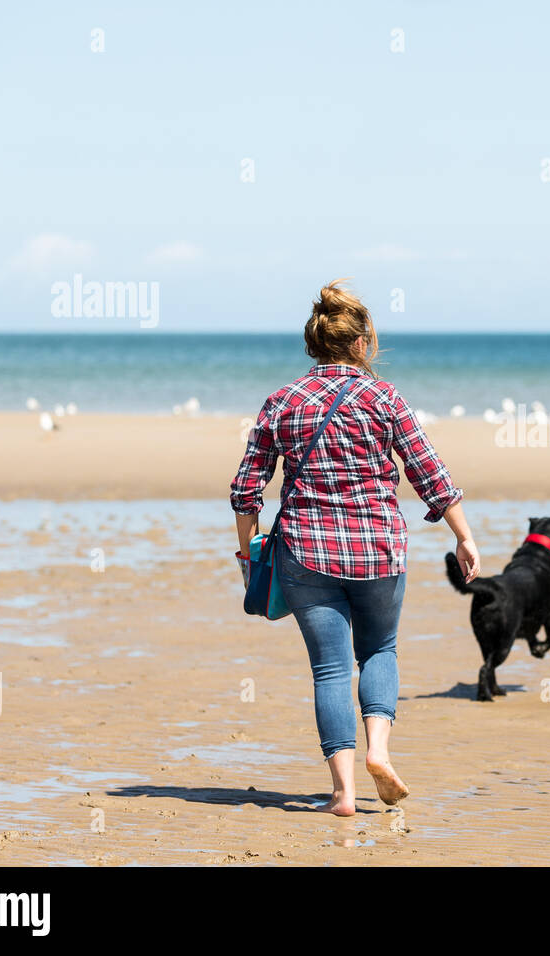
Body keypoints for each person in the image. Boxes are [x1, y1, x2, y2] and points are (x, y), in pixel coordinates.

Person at [230, 280, 480, 815]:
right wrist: (464, 535)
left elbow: (247, 489)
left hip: (305, 552)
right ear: (363, 342)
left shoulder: (282, 401)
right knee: (380, 650)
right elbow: (429, 473)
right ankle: (380, 752)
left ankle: (343, 793)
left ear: (313, 343)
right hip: (379, 550)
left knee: (330, 670)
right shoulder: (385, 397)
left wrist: (249, 554)